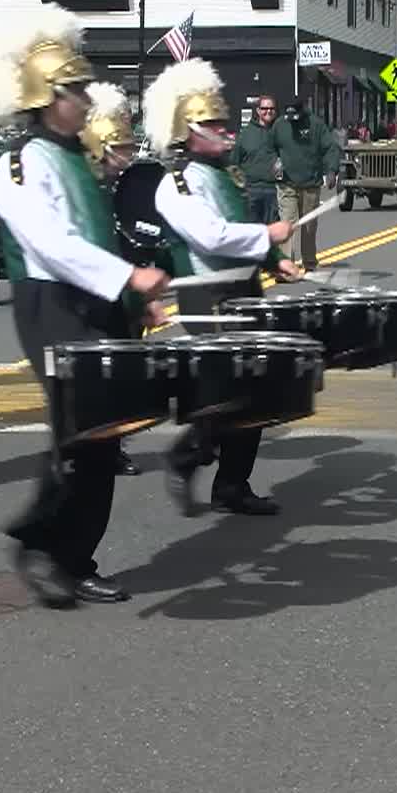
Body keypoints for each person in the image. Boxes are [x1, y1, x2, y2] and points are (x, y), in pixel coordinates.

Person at [0, 7, 172, 609]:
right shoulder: (20, 165)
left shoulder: (78, 162)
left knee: (104, 438)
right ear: (45, 96)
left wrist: (140, 302)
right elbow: (53, 246)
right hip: (53, 306)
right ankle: (40, 543)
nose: (87, 100)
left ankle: (73, 557)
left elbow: (97, 238)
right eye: (75, 91)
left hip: (98, 299)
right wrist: (129, 276)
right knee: (80, 431)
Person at [142, 58, 302, 517]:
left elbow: (241, 225)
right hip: (207, 293)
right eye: (212, 124)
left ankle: (232, 484)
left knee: (256, 387)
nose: (224, 130)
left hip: (242, 288)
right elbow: (211, 235)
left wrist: (277, 260)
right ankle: (188, 452)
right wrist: (269, 237)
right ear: (187, 129)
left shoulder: (222, 176)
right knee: (228, 388)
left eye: (223, 122)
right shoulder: (177, 183)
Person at [78, 81, 148, 478]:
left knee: (123, 374)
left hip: (126, 297)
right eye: (120, 148)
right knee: (96, 376)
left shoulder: (129, 185)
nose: (127, 155)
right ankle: (89, 443)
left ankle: (115, 445)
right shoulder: (89, 192)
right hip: (94, 297)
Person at [272, 98, 341, 270]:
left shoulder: (316, 125)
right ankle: (287, 264)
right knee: (288, 223)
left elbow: (330, 148)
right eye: (289, 115)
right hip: (286, 183)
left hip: (310, 183)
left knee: (309, 225)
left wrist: (331, 171)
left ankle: (309, 261)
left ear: (303, 111)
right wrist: (273, 163)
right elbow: (269, 148)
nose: (292, 119)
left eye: (295, 115)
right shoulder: (279, 125)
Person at [233, 96, 281, 224]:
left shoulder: (281, 131)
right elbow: (234, 162)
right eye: (264, 108)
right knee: (253, 233)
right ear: (258, 111)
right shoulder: (246, 134)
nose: (268, 111)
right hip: (252, 190)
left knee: (274, 235)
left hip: (274, 190)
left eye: (271, 108)